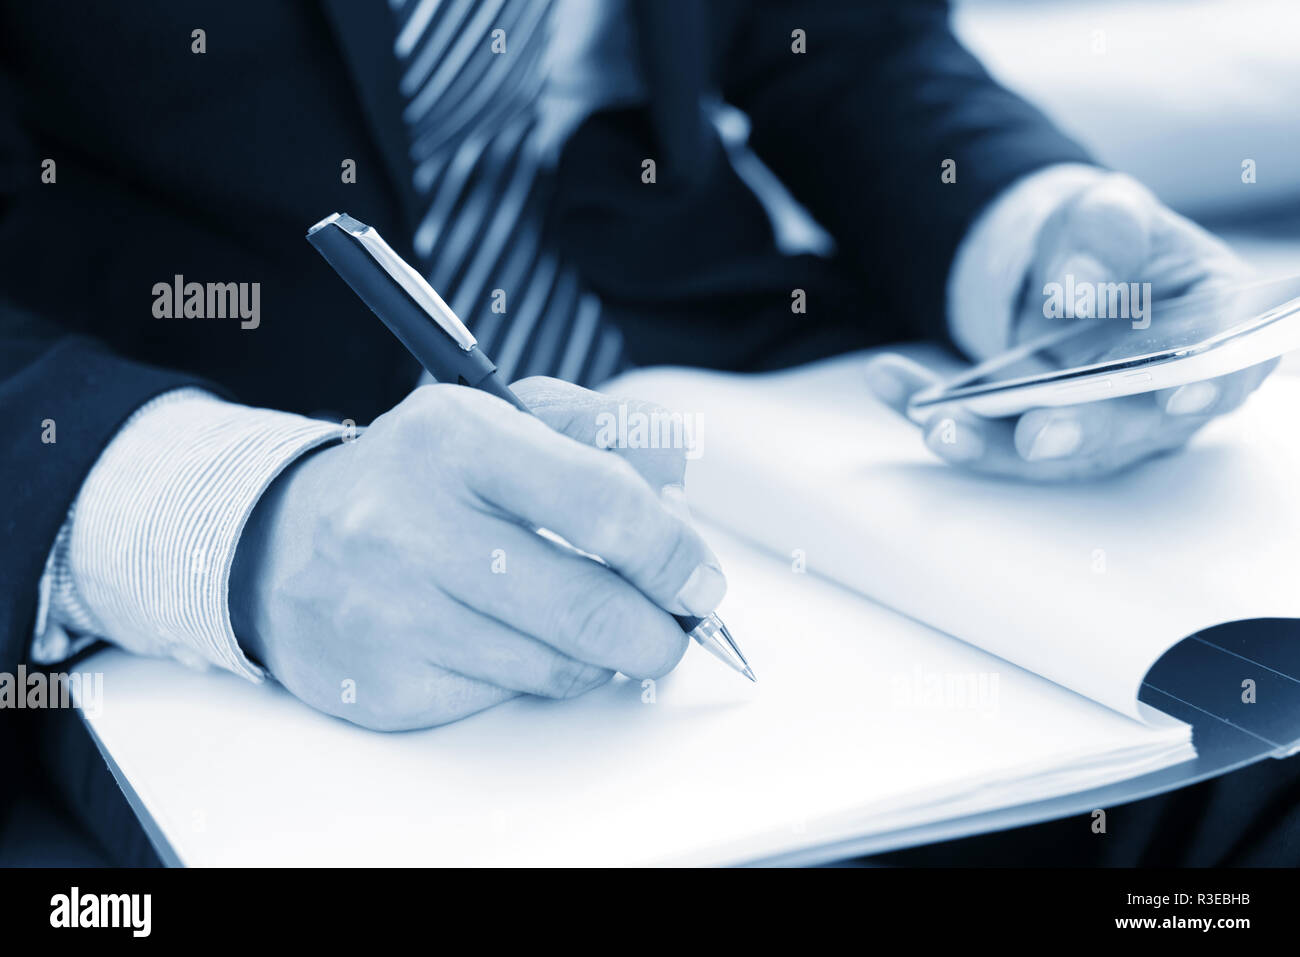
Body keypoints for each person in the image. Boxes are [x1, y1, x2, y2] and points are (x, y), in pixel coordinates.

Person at [0, 0, 1282, 863]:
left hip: (747, 414)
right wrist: (232, 516)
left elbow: (843, 44)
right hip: (160, 496)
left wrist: (1037, 228)